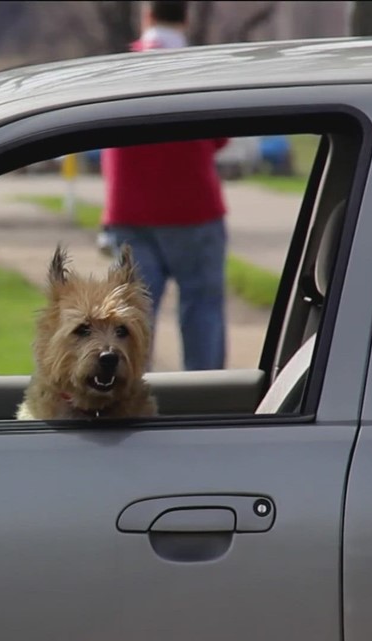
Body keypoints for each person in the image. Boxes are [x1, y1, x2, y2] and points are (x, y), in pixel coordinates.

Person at [98, 0, 230, 371]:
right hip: (195, 209)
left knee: (131, 318)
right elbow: (220, 137)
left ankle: (128, 397)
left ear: (147, 16)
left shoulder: (119, 69)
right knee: (201, 308)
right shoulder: (200, 71)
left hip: (129, 210)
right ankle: (207, 403)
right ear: (185, 19)